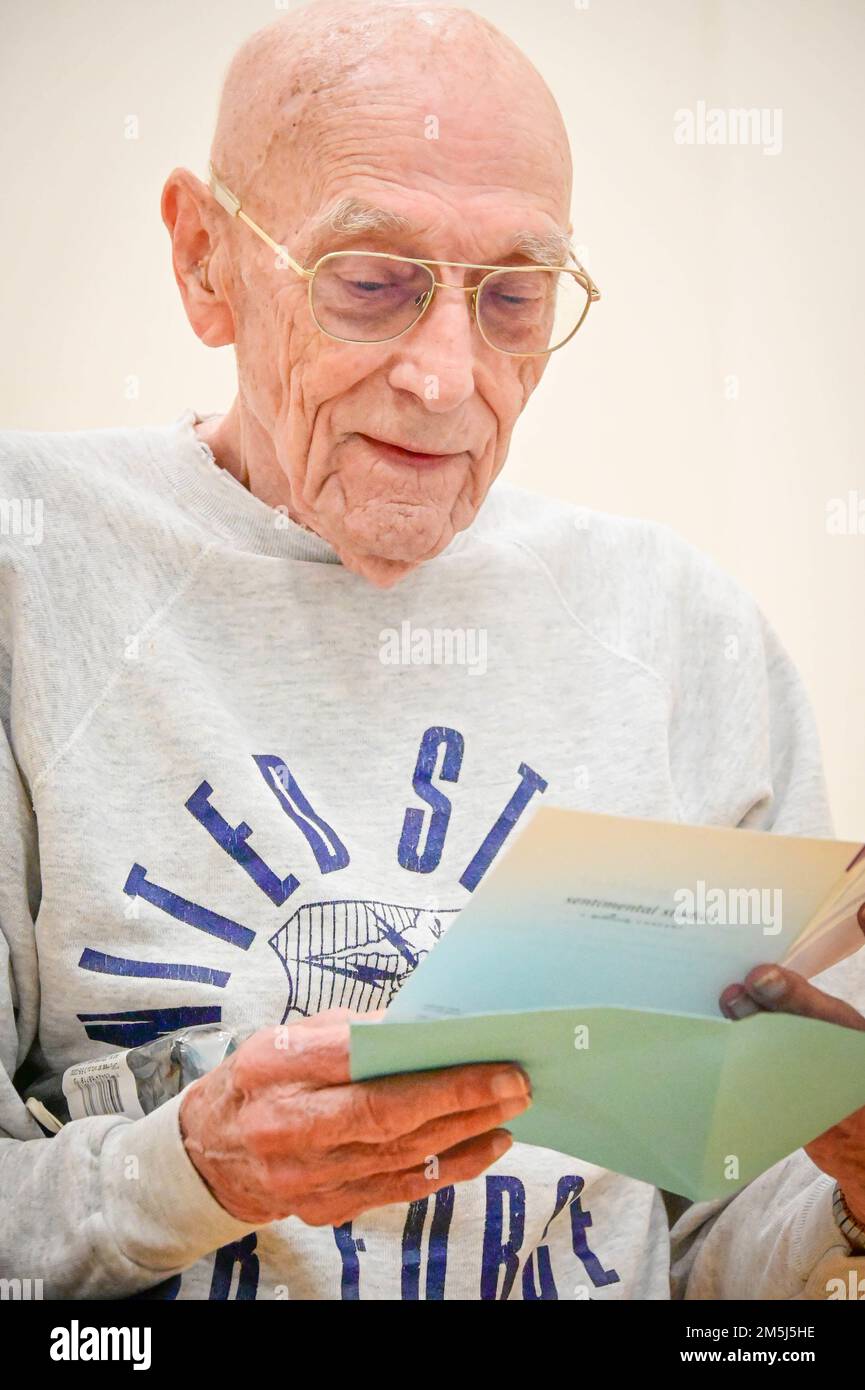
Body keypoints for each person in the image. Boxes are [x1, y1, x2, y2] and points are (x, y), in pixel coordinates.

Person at [0, 0, 863, 1301]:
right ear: (203, 261)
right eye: (366, 282)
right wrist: (193, 1172)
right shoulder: (33, 571)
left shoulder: (690, 637)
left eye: (514, 296)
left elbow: (704, 1259)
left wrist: (845, 1192)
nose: (447, 375)